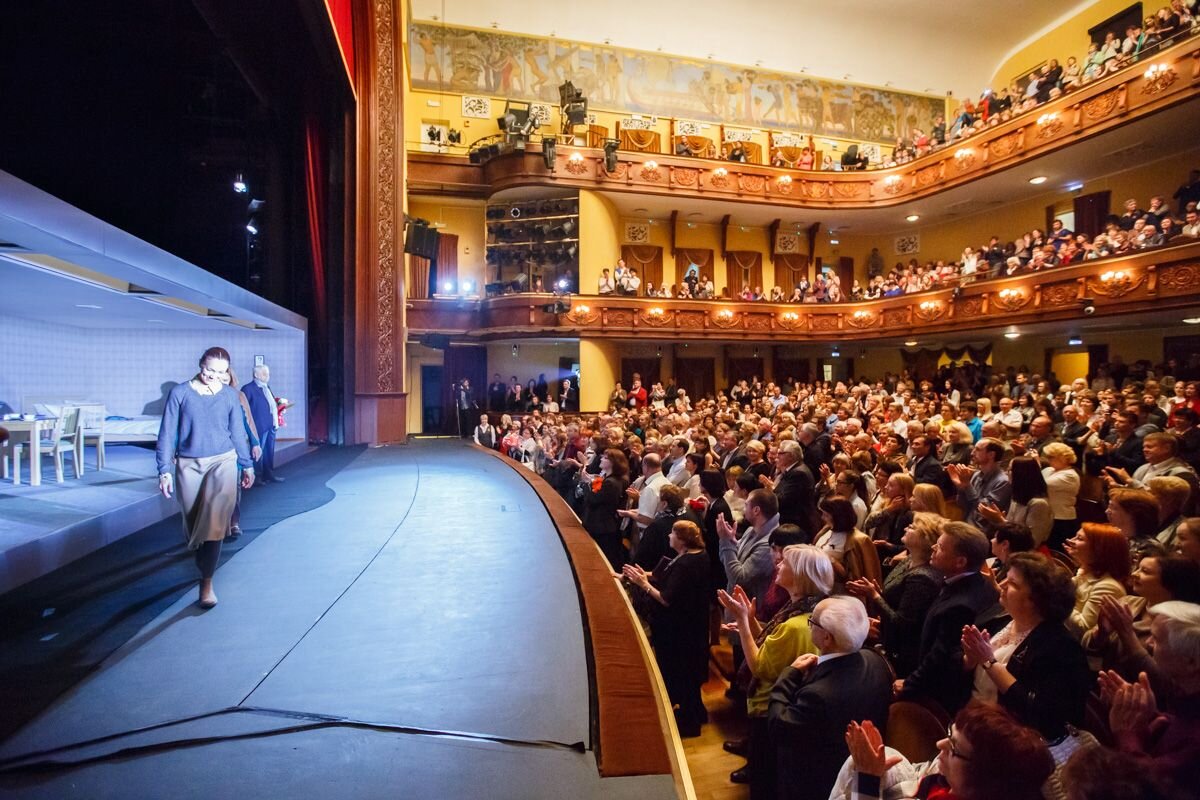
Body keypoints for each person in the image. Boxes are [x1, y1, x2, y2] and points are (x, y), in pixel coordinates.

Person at [718, 545, 833, 796]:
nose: (778, 565)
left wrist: (742, 623)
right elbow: (775, 648)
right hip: (790, 704)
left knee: (763, 781)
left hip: (771, 706)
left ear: (801, 576)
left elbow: (760, 666)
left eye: (786, 564)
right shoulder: (811, 610)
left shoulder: (794, 624)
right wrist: (750, 621)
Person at [157, 347, 255, 609]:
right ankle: (203, 560)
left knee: (213, 523)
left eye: (221, 372)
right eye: (210, 369)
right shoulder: (180, 393)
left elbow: (237, 431)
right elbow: (167, 433)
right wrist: (164, 469)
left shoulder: (230, 396)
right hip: (189, 464)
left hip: (223, 462)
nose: (214, 375)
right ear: (200, 364)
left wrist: (246, 465)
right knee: (194, 527)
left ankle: (206, 583)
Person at [767, 596, 892, 800]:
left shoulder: (817, 696)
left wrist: (788, 675)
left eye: (812, 623)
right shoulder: (876, 661)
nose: (809, 627)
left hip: (817, 783)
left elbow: (779, 726)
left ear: (827, 638)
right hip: (857, 770)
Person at [961, 552, 1089, 739]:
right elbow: (965, 671)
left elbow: (1041, 715)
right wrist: (969, 660)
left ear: (1036, 600)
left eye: (1012, 583)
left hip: (1012, 740)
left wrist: (989, 662)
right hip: (973, 723)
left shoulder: (1061, 648)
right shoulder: (1001, 618)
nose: (1002, 584)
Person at [836, 703, 1055, 800]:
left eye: (953, 747)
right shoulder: (953, 779)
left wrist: (866, 780)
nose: (940, 744)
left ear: (985, 779)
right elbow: (920, 775)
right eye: (950, 733)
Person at [899, 522, 999, 715]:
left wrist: (909, 685)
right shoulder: (977, 582)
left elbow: (939, 657)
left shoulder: (960, 605)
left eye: (941, 547)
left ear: (960, 562)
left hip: (939, 696)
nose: (933, 548)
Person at [622, 520, 711, 737]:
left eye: (672, 533)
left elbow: (666, 598)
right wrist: (642, 575)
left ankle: (690, 724)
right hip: (693, 628)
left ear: (681, 540)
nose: (668, 536)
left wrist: (643, 583)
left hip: (680, 632)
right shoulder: (698, 555)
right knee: (690, 677)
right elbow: (666, 575)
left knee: (681, 673)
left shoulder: (686, 563)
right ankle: (697, 713)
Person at [848, 512, 942, 677]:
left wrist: (875, 596)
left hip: (902, 652)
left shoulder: (922, 578)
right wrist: (880, 595)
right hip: (887, 636)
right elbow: (899, 599)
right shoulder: (908, 560)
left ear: (925, 538)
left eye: (912, 527)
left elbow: (902, 623)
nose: (906, 527)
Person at [1064, 523, 1130, 636]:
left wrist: (1057, 599)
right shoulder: (1084, 573)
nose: (1071, 541)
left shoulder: (1108, 586)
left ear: (1098, 549)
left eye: (1079, 539)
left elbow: (1083, 629)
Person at [221, 367, 261, 541]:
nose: (221, 377)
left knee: (234, 488)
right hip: (210, 451)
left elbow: (247, 421)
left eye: (224, 373)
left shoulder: (238, 396)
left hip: (234, 449)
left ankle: (233, 523)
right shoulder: (202, 396)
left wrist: (255, 443)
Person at [976, 456, 1052, 546]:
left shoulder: (1039, 504)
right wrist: (994, 519)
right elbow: (1010, 526)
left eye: (1010, 470)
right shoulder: (1017, 498)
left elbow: (1032, 542)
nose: (1006, 473)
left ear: (1022, 474)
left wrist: (1000, 520)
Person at [581, 448, 631, 568]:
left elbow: (593, 498)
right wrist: (591, 481)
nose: (601, 459)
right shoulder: (606, 477)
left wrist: (586, 483)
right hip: (598, 523)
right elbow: (596, 489)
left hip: (601, 526)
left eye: (605, 458)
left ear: (613, 462)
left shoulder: (612, 483)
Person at [948, 438, 1012, 530]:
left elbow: (983, 511)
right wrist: (960, 486)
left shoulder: (1003, 482)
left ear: (991, 455)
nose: (972, 453)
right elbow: (963, 505)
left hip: (983, 531)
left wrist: (967, 485)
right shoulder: (977, 475)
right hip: (967, 524)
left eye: (977, 449)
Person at [243, 363, 283, 483]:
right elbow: (245, 408)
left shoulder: (266, 387)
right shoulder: (248, 389)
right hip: (258, 426)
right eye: (264, 373)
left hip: (270, 425)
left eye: (268, 373)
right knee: (257, 451)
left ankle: (268, 473)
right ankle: (257, 477)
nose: (267, 376)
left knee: (268, 451)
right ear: (256, 375)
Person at [1041, 442, 1081, 550]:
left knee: (1058, 552)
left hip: (1062, 520)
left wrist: (1035, 464)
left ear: (1062, 458)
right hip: (1050, 517)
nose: (1048, 460)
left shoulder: (1069, 475)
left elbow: (1042, 485)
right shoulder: (1050, 470)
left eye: (1051, 457)